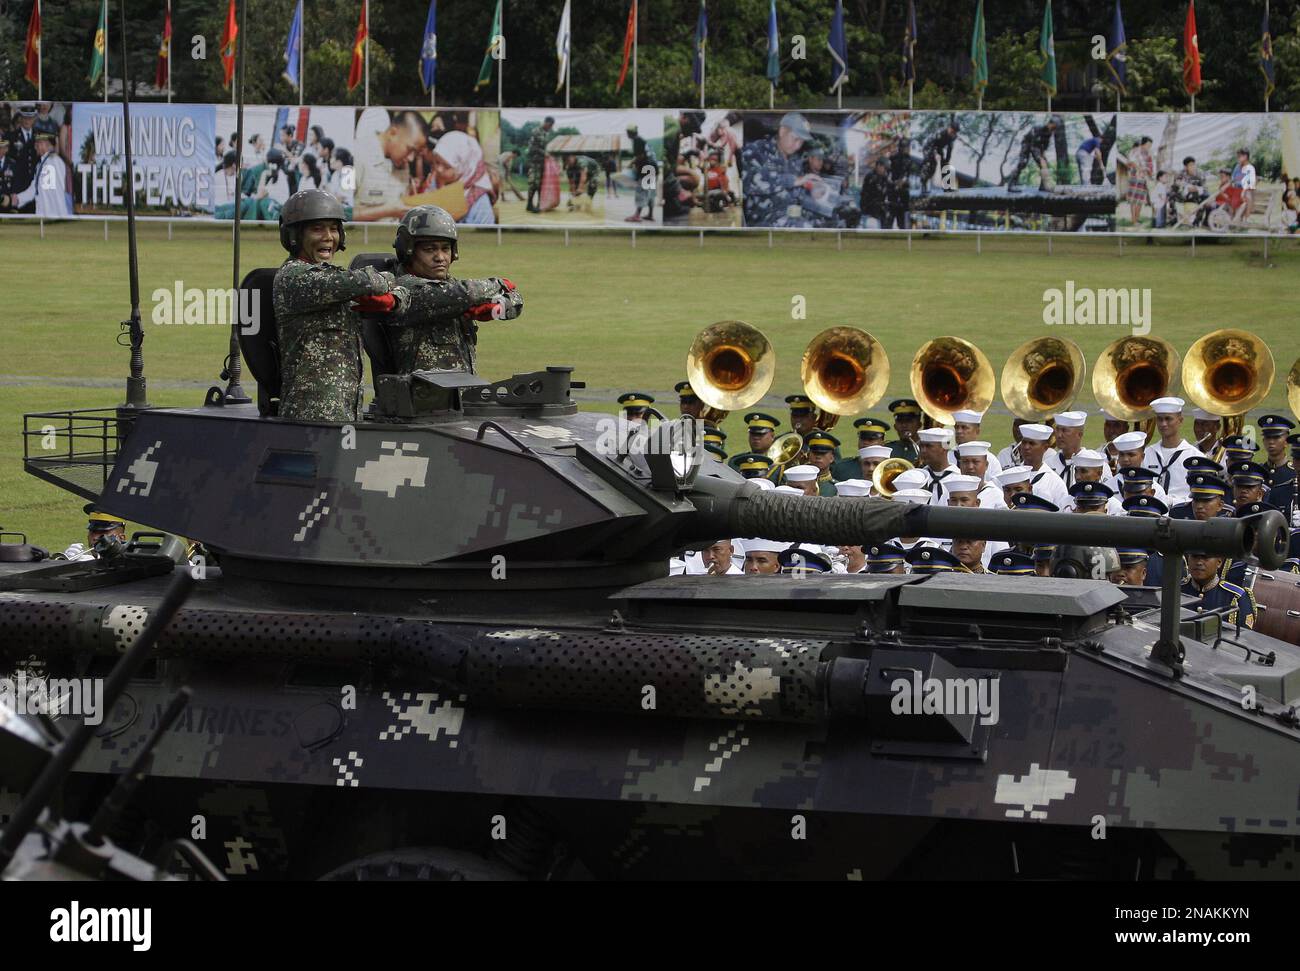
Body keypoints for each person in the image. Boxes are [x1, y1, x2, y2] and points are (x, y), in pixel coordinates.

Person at [272, 189, 409, 422]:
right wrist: (388, 280)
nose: (328, 237)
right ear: (295, 236)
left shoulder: (333, 281)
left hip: (344, 411)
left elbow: (401, 298)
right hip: (310, 417)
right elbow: (366, 282)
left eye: (334, 229)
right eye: (317, 229)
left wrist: (394, 296)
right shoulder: (295, 277)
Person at [388, 205, 521, 374]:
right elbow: (463, 294)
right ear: (408, 251)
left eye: (446, 248)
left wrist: (496, 309)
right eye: (429, 249)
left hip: (461, 393)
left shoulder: (452, 286)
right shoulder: (404, 288)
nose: (440, 257)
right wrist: (499, 284)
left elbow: (516, 302)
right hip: (421, 396)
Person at [739, 112, 815, 228]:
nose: (797, 146)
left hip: (790, 215)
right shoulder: (757, 151)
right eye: (795, 139)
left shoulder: (795, 161)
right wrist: (792, 180)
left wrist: (812, 192)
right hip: (762, 221)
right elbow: (747, 182)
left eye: (801, 142)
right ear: (782, 131)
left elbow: (797, 192)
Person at [354, 108, 428, 221]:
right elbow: (339, 212)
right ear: (393, 133)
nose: (411, 158)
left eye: (416, 153)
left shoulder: (402, 162)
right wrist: (387, 211)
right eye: (410, 149)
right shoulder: (356, 155)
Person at [427, 130, 496, 224]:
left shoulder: (480, 204)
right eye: (436, 162)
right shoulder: (437, 180)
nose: (438, 169)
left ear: (463, 168)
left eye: (446, 166)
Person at [1143, 397, 1205, 502]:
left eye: (1168, 419)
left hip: (1181, 512)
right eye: (1159, 419)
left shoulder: (1195, 456)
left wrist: (1171, 502)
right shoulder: (1147, 454)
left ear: (1180, 420)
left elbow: (1199, 494)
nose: (1163, 424)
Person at [1182, 551, 1256, 628]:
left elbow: (1243, 637)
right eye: (1194, 556)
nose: (1199, 562)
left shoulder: (1236, 597)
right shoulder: (1177, 590)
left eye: (1206, 557)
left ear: (1219, 562)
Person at [4, 130, 69, 217]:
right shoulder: (42, 164)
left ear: (46, 144)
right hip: (47, 217)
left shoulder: (52, 162)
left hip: (53, 216)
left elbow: (48, 193)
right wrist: (17, 199)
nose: (35, 147)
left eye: (38, 143)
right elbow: (34, 189)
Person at [1006, 115, 1060, 193]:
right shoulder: (1037, 128)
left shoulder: (1049, 133)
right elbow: (1033, 145)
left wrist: (1043, 156)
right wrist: (1039, 157)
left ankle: (1043, 186)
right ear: (1049, 124)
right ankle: (1011, 185)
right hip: (1027, 144)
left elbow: (1045, 146)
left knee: (1044, 164)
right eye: (1053, 128)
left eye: (1055, 129)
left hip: (1037, 147)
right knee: (1022, 162)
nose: (1053, 130)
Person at [60, 505, 127, 562]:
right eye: (93, 532)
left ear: (121, 538)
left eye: (103, 533)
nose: (95, 537)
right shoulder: (85, 561)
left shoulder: (130, 563)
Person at [525, 116, 555, 213]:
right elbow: (532, 147)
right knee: (533, 183)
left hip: (542, 162)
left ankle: (539, 204)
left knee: (541, 184)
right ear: (546, 122)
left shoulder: (546, 133)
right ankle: (529, 204)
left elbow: (545, 147)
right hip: (534, 161)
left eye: (551, 126)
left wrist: (548, 154)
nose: (550, 128)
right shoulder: (536, 131)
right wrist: (544, 153)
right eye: (550, 125)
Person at [1122, 135, 1154, 225]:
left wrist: (1148, 171)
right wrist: (1139, 168)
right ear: (1143, 144)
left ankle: (1137, 219)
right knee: (1133, 200)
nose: (1149, 147)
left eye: (1150, 145)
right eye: (1147, 145)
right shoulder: (1135, 151)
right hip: (1135, 178)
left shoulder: (1148, 154)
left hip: (1144, 179)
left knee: (1140, 200)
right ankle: (1133, 220)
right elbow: (1129, 162)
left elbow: (1151, 167)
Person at [920, 120, 959, 192]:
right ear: (949, 128)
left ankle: (947, 186)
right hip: (928, 147)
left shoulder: (953, 136)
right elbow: (931, 144)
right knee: (930, 165)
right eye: (952, 131)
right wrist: (935, 154)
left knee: (945, 165)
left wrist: (947, 160)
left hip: (939, 148)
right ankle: (923, 185)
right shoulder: (940, 133)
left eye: (955, 133)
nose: (953, 134)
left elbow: (950, 149)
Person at [1231, 148, 1257, 226]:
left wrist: (1243, 190)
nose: (1238, 158)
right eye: (1237, 156)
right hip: (1237, 188)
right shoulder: (1237, 167)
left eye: (1239, 156)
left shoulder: (1250, 168)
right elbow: (1233, 178)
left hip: (1245, 190)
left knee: (1248, 196)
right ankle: (1235, 218)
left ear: (1245, 156)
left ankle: (1246, 218)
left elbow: (1249, 183)